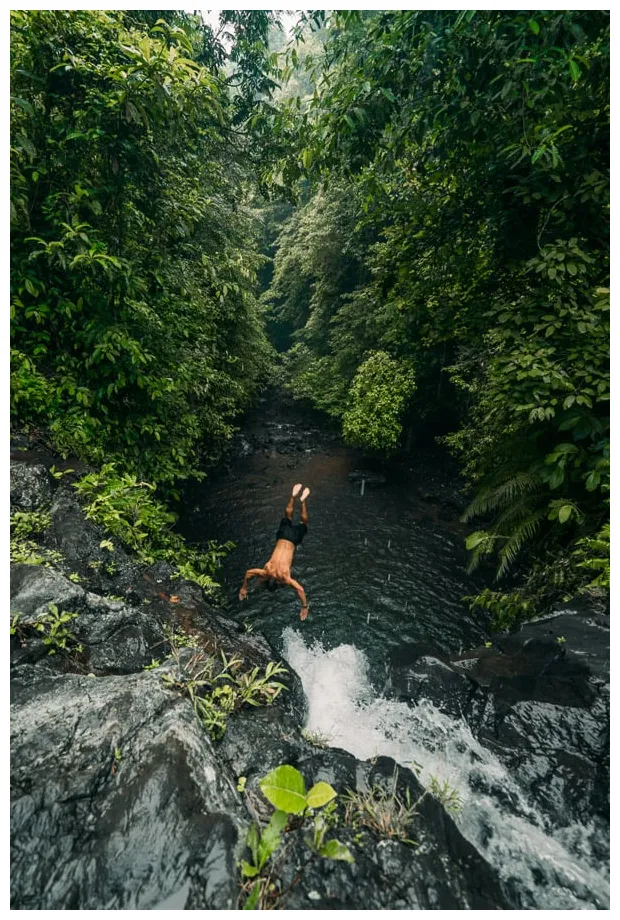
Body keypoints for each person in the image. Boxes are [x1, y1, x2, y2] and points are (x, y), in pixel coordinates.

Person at [238, 483, 311, 620]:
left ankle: (303, 501)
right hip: (282, 537)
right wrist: (244, 587)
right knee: (288, 517)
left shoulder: (285, 577)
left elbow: (300, 589)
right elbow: (248, 573)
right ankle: (294, 497)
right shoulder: (266, 571)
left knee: (303, 523)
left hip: (292, 540)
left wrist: (305, 607)